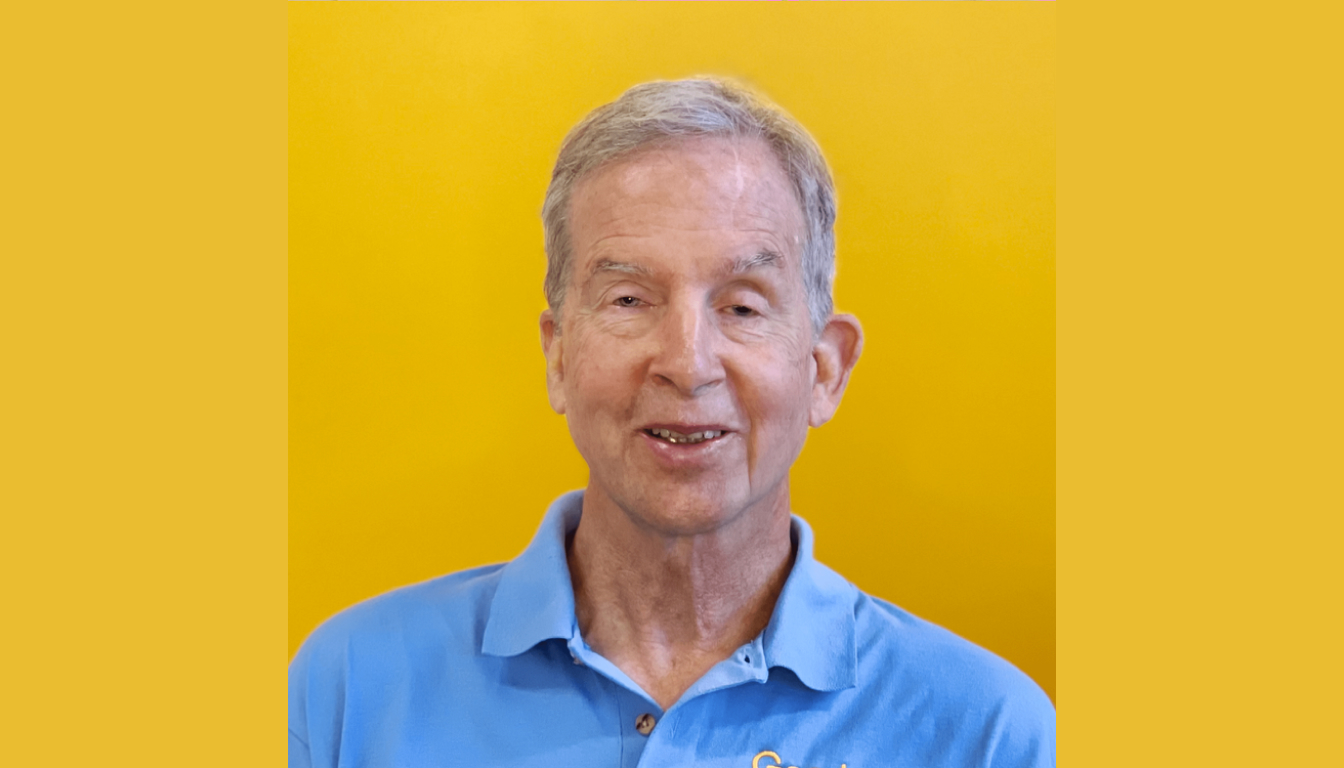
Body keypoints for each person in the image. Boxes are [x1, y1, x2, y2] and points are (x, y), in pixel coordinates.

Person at [288, 78, 1055, 768]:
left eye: (743, 306)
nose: (687, 363)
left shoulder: (985, 732)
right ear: (559, 358)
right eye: (629, 300)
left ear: (825, 369)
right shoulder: (349, 691)